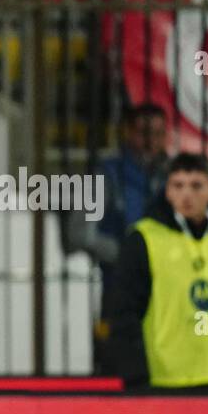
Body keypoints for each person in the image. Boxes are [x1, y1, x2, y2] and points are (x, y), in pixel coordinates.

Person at [109, 152, 208, 392]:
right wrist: (136, 378)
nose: (187, 194)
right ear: (167, 192)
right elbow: (125, 313)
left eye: (197, 186)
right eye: (178, 185)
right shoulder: (144, 239)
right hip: (163, 381)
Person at [67, 104, 169, 368]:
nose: (151, 142)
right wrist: (129, 255)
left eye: (158, 134)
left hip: (167, 289)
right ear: (128, 133)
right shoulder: (105, 174)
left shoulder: (172, 174)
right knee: (121, 364)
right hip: (118, 288)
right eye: (144, 132)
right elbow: (79, 233)